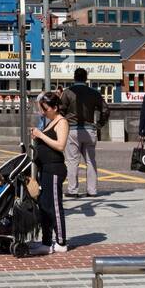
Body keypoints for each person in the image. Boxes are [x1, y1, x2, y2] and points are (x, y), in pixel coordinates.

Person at [31, 92, 70, 253]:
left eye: (45, 109)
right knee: (44, 206)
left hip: (54, 169)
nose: (43, 112)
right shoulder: (51, 121)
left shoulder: (61, 122)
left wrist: (41, 135)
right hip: (45, 168)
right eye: (42, 109)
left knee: (54, 205)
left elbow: (60, 145)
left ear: (55, 108)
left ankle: (61, 242)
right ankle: (46, 242)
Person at [59, 67, 107, 197]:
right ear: (86, 78)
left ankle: (73, 190)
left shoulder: (68, 92)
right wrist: (99, 124)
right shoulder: (94, 93)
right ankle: (92, 190)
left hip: (72, 130)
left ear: (74, 78)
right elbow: (105, 110)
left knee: (72, 161)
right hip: (90, 130)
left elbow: (61, 110)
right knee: (91, 161)